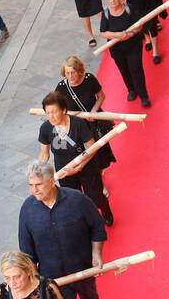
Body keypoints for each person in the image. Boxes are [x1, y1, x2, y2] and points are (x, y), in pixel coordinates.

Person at [18, 160, 107, 299]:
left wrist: (96, 255)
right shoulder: (27, 210)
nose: (33, 190)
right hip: (53, 279)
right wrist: (32, 277)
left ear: (51, 181)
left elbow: (96, 227)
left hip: (83, 270)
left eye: (38, 184)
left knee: (90, 298)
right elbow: (26, 250)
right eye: (30, 185)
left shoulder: (77, 200)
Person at [37, 92, 113, 225]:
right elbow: (44, 154)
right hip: (65, 171)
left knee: (95, 197)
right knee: (73, 200)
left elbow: (91, 148)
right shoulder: (45, 128)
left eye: (54, 112)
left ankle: (106, 211)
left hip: (87, 165)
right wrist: (38, 174)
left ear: (64, 110)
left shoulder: (78, 123)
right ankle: (84, 222)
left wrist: (78, 167)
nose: (51, 116)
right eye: (47, 113)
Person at [56, 56, 117, 172]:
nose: (70, 76)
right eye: (67, 73)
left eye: (72, 72)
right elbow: (58, 108)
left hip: (94, 122)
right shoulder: (61, 87)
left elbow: (101, 96)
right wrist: (74, 114)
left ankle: (100, 171)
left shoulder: (89, 79)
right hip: (77, 125)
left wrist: (93, 111)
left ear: (79, 70)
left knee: (100, 150)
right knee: (87, 153)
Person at [99, 0, 151, 107]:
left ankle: (144, 95)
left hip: (133, 45)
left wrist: (130, 34)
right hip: (117, 50)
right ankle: (131, 90)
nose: (112, 1)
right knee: (124, 70)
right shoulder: (106, 14)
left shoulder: (129, 8)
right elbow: (103, 33)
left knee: (136, 69)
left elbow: (139, 26)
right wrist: (118, 35)